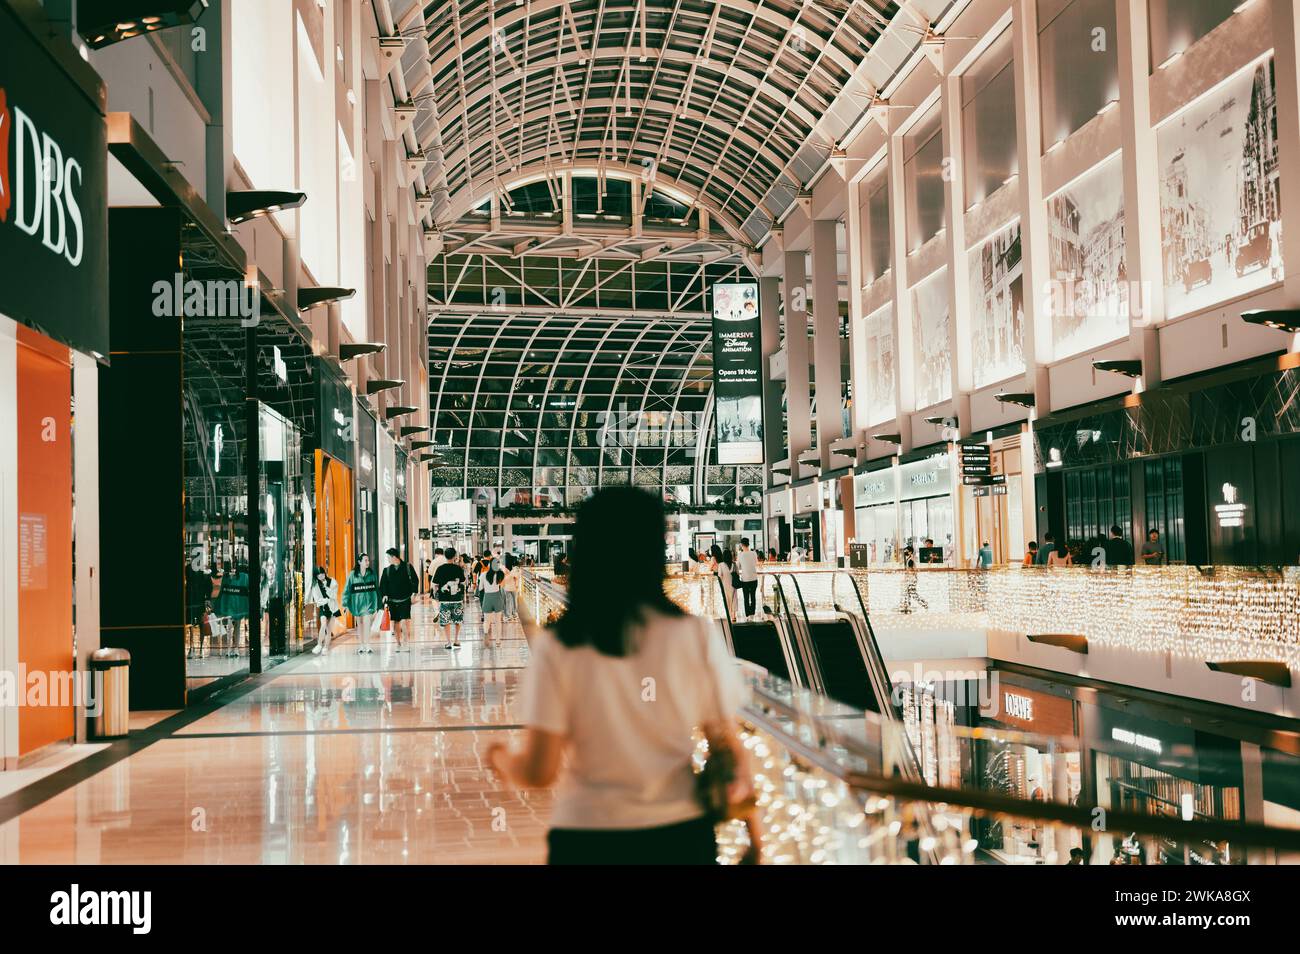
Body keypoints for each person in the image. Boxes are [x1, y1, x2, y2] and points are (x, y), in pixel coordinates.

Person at [485, 487, 754, 865]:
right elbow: (726, 742)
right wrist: (754, 831)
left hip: (588, 837)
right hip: (680, 835)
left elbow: (540, 770)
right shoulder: (692, 633)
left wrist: (500, 760)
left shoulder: (561, 645)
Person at [379, 547, 419, 651]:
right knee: (395, 622)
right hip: (392, 600)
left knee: (405, 621)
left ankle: (406, 642)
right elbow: (383, 585)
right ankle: (398, 643)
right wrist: (384, 595)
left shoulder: (407, 567)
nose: (387, 560)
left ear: (394, 557)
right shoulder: (387, 570)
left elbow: (415, 580)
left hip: (405, 599)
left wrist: (414, 594)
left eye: (388, 557)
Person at [342, 553, 381, 654]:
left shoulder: (372, 574)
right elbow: (347, 589)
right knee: (359, 624)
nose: (368, 562)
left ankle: (368, 645)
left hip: (369, 603)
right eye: (365, 560)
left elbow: (377, 588)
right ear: (359, 562)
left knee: (367, 622)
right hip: (356, 603)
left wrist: (379, 603)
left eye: (368, 560)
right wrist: (345, 604)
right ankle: (361, 644)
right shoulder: (352, 575)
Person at [433, 548, 467, 649]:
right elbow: (463, 582)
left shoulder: (440, 568)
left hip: (444, 599)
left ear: (445, 555)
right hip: (457, 598)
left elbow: (435, 584)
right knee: (458, 620)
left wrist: (436, 593)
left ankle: (448, 642)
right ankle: (456, 640)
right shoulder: (458, 568)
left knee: (446, 621)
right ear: (454, 556)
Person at [309, 566, 341, 655]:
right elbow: (318, 600)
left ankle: (326, 647)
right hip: (323, 608)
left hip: (333, 609)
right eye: (319, 574)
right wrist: (326, 600)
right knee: (323, 625)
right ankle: (319, 644)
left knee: (329, 629)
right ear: (316, 576)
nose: (321, 576)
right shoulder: (315, 585)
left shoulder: (332, 581)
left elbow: (334, 596)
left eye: (322, 573)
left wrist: (326, 588)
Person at [479, 559, 507, 647]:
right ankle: (498, 640)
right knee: (498, 621)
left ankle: (486, 633)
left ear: (489, 565)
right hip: (497, 597)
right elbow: (503, 586)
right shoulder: (500, 574)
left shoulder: (483, 575)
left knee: (487, 621)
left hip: (487, 598)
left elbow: (480, 588)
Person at [736, 537, 760, 621]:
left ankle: (747, 615)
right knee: (753, 597)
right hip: (754, 578)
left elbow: (738, 567)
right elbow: (756, 563)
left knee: (746, 598)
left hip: (745, 579)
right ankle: (752, 615)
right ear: (748, 544)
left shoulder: (740, 554)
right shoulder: (754, 553)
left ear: (742, 545)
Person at [899, 545, 928, 613]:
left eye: (906, 551)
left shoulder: (910, 560)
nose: (905, 552)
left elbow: (911, 570)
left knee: (912, 593)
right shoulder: (909, 559)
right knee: (909, 593)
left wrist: (906, 575)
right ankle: (906, 606)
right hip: (911, 579)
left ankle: (923, 604)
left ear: (910, 552)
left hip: (911, 579)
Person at [501, 553, 520, 621]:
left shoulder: (504, 568)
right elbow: (516, 577)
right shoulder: (515, 568)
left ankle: (509, 615)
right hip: (513, 587)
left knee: (508, 601)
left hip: (507, 586)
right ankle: (514, 614)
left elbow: (502, 577)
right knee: (514, 601)